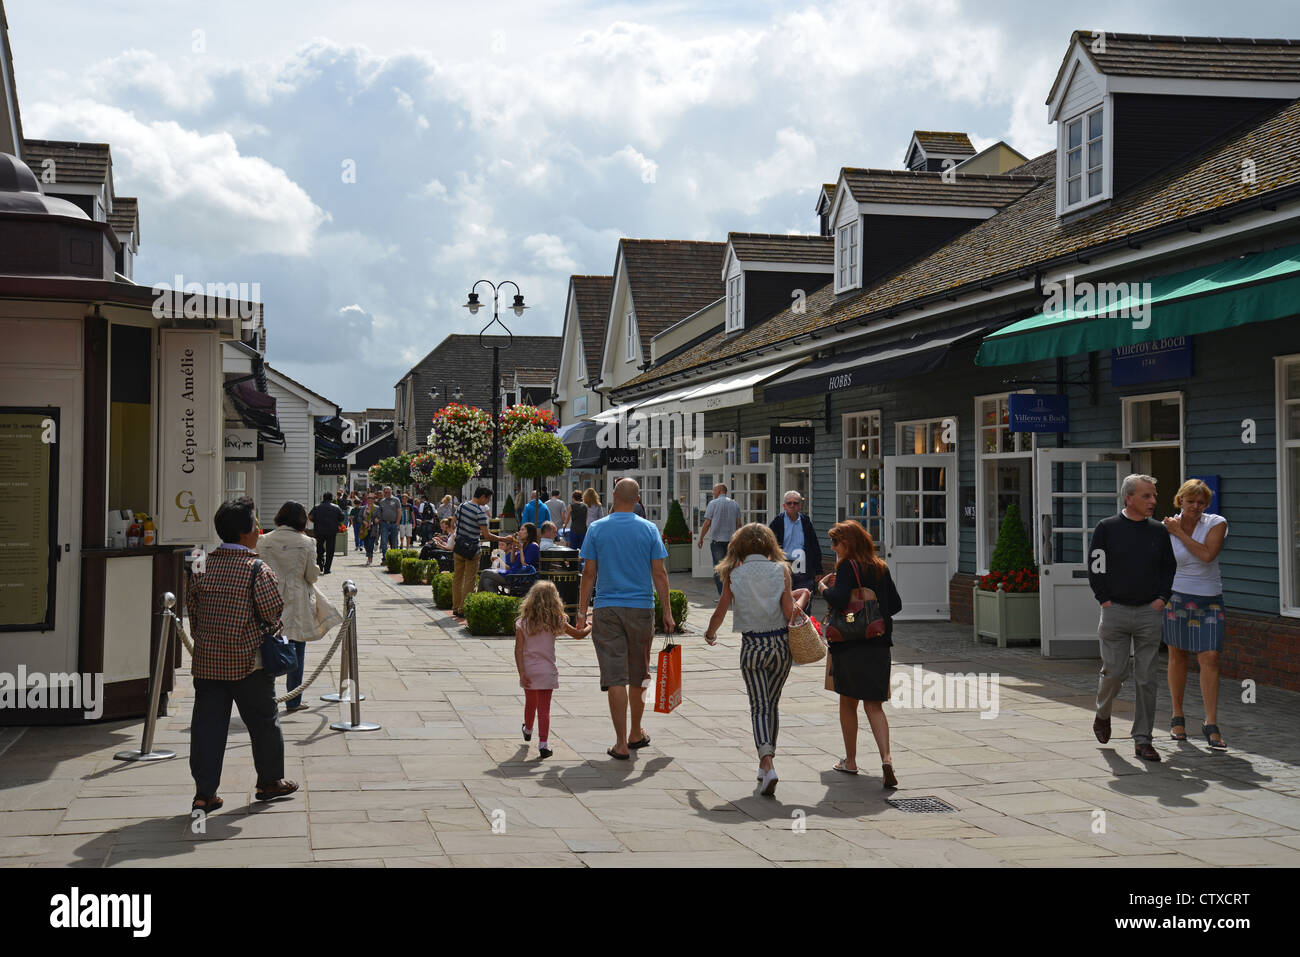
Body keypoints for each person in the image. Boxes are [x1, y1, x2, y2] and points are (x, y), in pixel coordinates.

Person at [185, 497, 297, 813]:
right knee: (264, 722)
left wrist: (207, 638)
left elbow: (192, 610)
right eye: (256, 523)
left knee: (207, 728)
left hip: (207, 661)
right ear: (247, 532)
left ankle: (204, 793)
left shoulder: (201, 564)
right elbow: (273, 612)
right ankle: (270, 781)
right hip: (249, 662)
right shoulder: (256, 569)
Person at [578, 478, 674, 760]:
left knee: (615, 676)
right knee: (639, 674)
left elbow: (589, 574)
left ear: (614, 495)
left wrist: (582, 611)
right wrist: (666, 610)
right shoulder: (648, 529)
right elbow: (660, 573)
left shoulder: (597, 528)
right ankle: (635, 732)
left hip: (607, 609)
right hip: (641, 609)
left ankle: (620, 743)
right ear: (638, 499)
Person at [1088, 473, 1177, 763]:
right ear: (1129, 498)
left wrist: (1162, 599)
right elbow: (1095, 566)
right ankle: (1103, 713)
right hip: (1114, 611)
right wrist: (1105, 599)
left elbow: (1168, 568)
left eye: (1153, 496)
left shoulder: (1158, 531)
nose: (1153, 501)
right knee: (1114, 671)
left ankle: (1143, 740)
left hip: (1149, 613)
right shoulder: (1107, 528)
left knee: (1147, 678)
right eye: (1146, 496)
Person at [703, 523, 796, 797]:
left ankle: (767, 764)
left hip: (753, 646)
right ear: (769, 544)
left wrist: (710, 633)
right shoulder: (782, 570)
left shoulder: (734, 574)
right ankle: (766, 763)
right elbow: (789, 611)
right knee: (773, 704)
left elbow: (721, 610)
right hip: (780, 645)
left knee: (759, 705)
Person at [816, 520, 902, 787]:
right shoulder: (881, 567)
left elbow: (839, 599)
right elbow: (896, 605)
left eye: (835, 543)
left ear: (848, 543)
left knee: (848, 702)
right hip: (878, 643)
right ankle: (886, 758)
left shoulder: (846, 567)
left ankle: (850, 761)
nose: (833, 548)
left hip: (850, 644)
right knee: (874, 705)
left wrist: (823, 588)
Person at [1162, 479, 1229, 751]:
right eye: (1190, 501)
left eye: (1201, 502)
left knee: (1210, 656)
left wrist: (1179, 533)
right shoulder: (1166, 527)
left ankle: (1210, 723)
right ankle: (1177, 716)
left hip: (1210, 598)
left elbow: (1207, 555)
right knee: (1177, 655)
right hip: (1177, 596)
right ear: (1180, 501)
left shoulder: (1216, 523)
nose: (1196, 507)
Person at [515, 580, 591, 759]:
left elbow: (518, 649)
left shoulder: (522, 623)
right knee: (544, 708)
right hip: (547, 670)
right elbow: (578, 635)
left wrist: (521, 672)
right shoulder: (557, 620)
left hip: (529, 670)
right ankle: (543, 744)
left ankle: (528, 728)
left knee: (530, 703)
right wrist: (589, 626)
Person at [258, 501, 320, 713]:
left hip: (268, 599)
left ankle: (265, 697)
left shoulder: (263, 540)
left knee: (266, 648)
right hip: (296, 601)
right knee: (297, 650)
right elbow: (312, 576)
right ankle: (293, 699)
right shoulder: (307, 542)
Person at [451, 486, 510, 619]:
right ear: (483, 496)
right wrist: (503, 538)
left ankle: (455, 606)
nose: (487, 502)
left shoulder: (461, 506)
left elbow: (453, 522)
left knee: (457, 578)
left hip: (459, 546)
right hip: (472, 549)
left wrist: (462, 533)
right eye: (488, 499)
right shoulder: (480, 513)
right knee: (470, 580)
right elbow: (487, 536)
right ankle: (463, 608)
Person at [769, 491, 821, 610]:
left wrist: (818, 569)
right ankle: (786, 625)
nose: (792, 505)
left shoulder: (805, 521)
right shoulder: (778, 521)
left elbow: (814, 545)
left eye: (795, 503)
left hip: (803, 564)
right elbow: (769, 543)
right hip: (784, 564)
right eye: (789, 503)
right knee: (784, 597)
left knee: (805, 597)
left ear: (800, 505)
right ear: (784, 506)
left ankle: (803, 625)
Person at [697, 484, 741, 595]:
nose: (713, 492)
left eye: (714, 490)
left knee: (718, 568)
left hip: (716, 541)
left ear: (720, 491)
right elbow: (739, 524)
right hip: (731, 541)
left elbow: (707, 523)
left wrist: (701, 538)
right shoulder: (734, 504)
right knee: (731, 568)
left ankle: (722, 596)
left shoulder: (712, 503)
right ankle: (732, 594)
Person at [480, 524, 540, 592]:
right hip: (513, 574)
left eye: (522, 530)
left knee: (485, 572)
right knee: (487, 581)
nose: (519, 532)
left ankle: (475, 597)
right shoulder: (524, 545)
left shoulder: (533, 546)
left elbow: (525, 564)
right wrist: (514, 548)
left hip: (519, 576)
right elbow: (512, 561)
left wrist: (520, 549)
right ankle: (496, 601)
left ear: (529, 533)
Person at [308, 492, 345, 575]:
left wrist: (315, 521)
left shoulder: (317, 507)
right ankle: (327, 569)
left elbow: (310, 516)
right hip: (331, 531)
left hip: (319, 531)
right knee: (330, 550)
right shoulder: (336, 507)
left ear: (323, 498)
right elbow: (342, 517)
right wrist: (336, 522)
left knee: (319, 549)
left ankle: (319, 565)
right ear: (331, 499)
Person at [376, 486, 401, 555]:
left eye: (389, 492)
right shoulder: (382, 501)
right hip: (384, 524)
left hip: (394, 523)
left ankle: (395, 556)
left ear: (391, 492)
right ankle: (385, 558)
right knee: (384, 541)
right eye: (386, 492)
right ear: (384, 493)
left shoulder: (396, 500)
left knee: (394, 541)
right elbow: (380, 513)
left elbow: (399, 511)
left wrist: (397, 522)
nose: (387, 493)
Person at [358, 492, 380, 566]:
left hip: (373, 529)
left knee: (370, 544)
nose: (370, 500)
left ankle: (369, 559)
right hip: (364, 529)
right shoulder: (363, 508)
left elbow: (379, 517)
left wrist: (376, 520)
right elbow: (359, 517)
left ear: (374, 500)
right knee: (366, 544)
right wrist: (363, 521)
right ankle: (369, 555)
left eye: (372, 498)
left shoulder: (377, 508)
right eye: (369, 498)